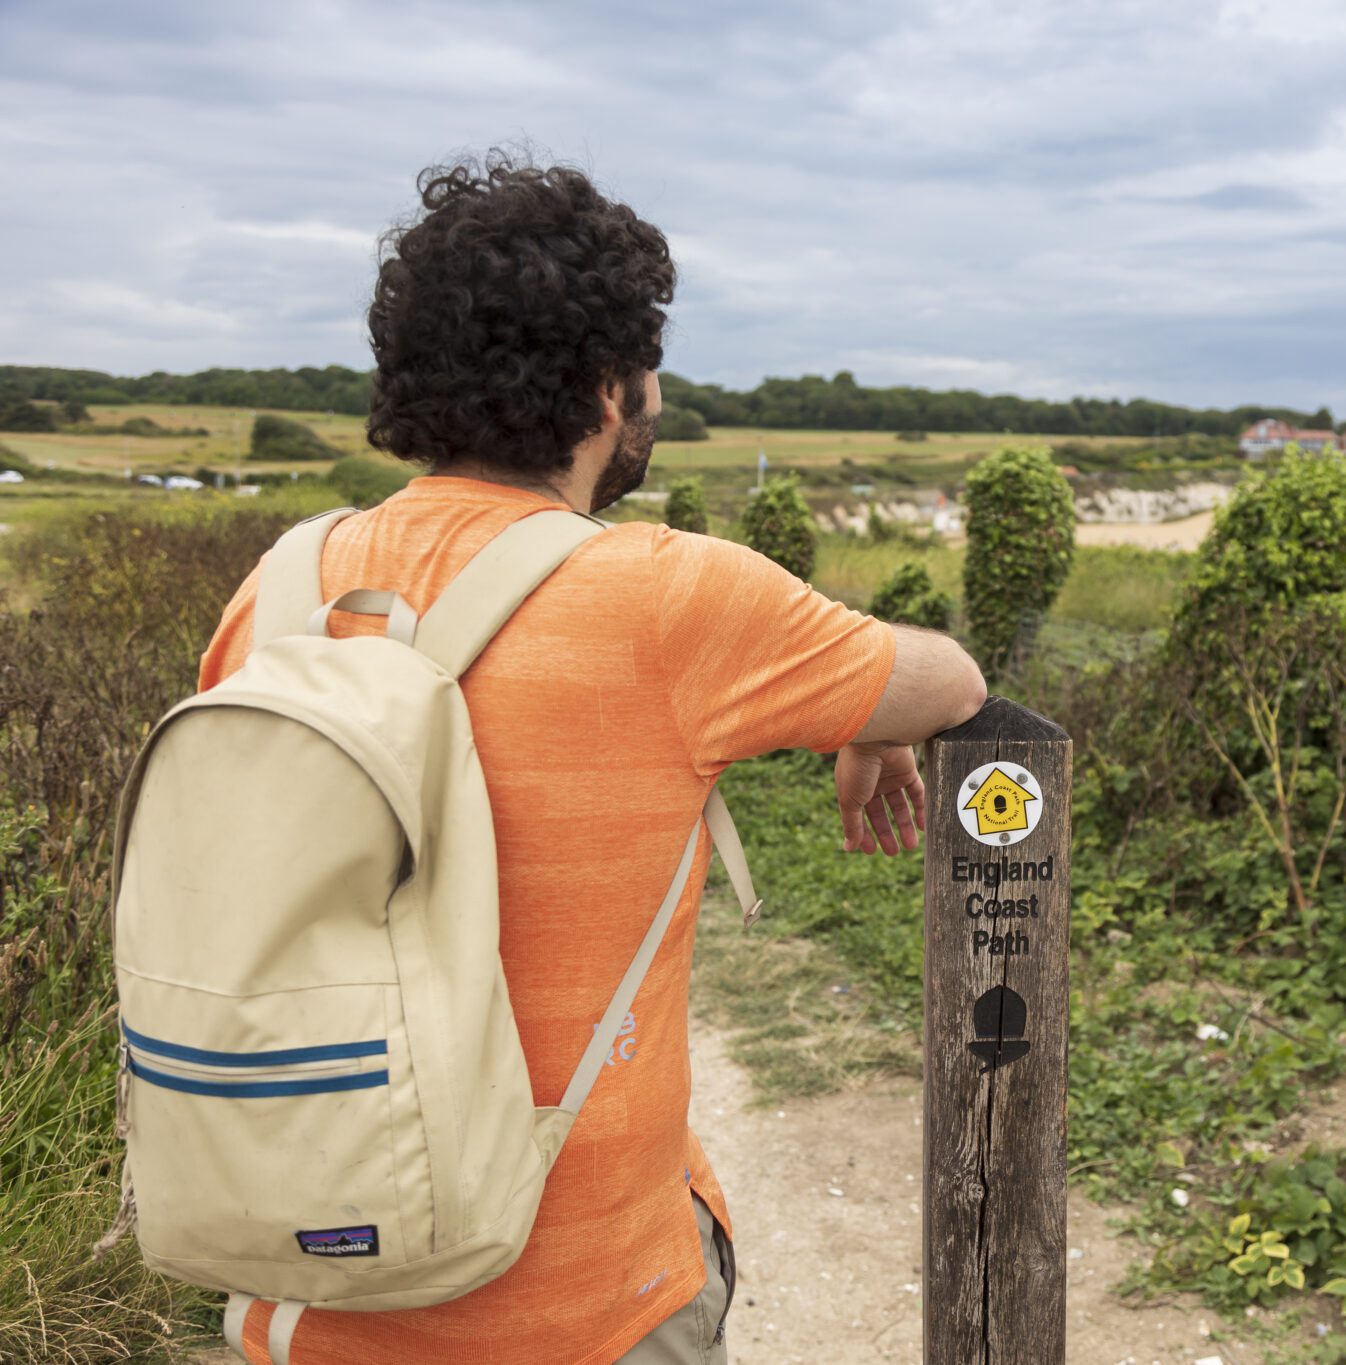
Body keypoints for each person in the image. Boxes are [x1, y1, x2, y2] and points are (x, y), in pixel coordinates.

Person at [198, 154, 986, 1365]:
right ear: (609, 390)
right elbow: (951, 681)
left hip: (298, 1288)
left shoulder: (285, 581)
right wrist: (867, 715)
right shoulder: (661, 591)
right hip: (582, 1311)